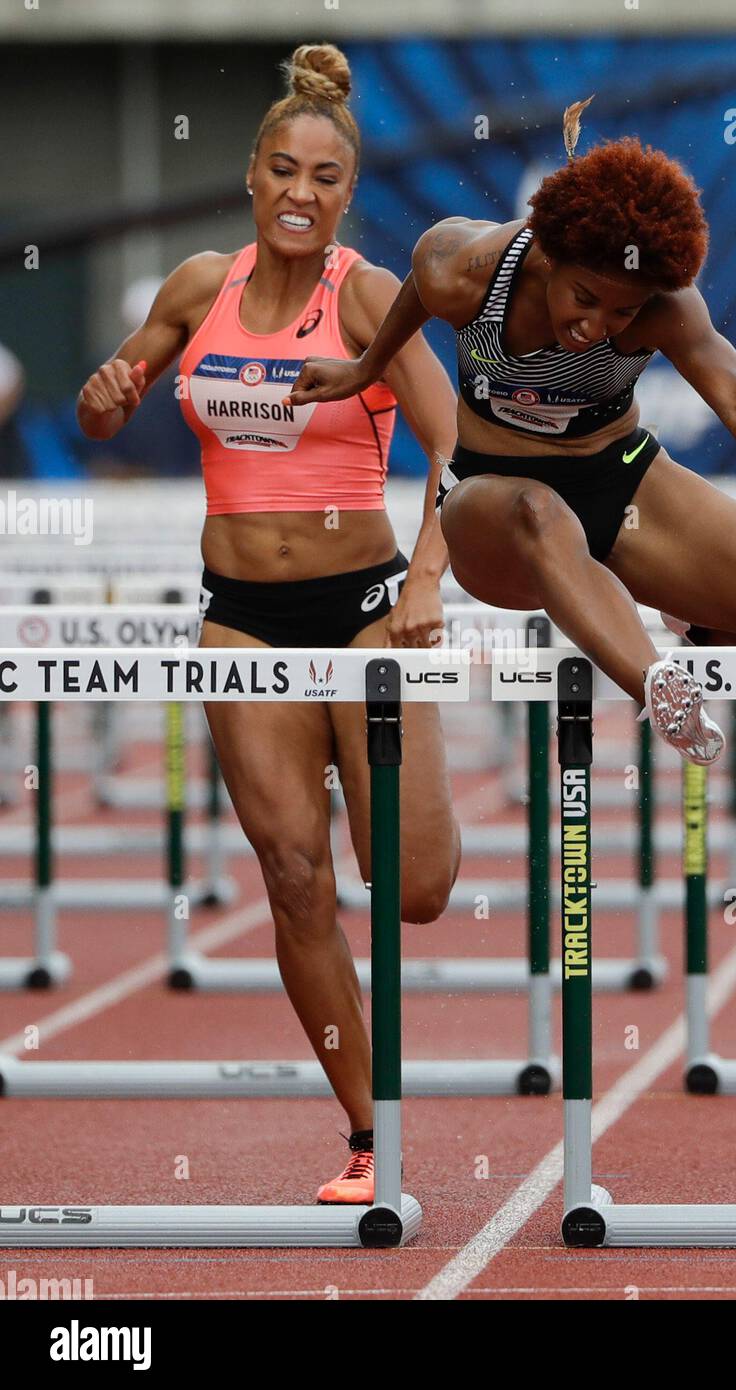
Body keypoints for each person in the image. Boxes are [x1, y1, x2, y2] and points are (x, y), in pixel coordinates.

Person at [76, 43, 461, 1205]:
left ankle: (414, 848)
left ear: (348, 192)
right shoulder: (199, 286)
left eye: (326, 177)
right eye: (283, 169)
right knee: (293, 877)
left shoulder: (370, 296)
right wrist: (106, 399)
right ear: (251, 176)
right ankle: (368, 1134)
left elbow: (460, 447)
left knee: (415, 889)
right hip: (240, 618)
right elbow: (116, 397)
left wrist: (430, 575)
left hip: (359, 612)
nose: (302, 192)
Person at [288, 98, 736, 763]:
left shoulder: (663, 307)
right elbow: (415, 294)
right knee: (538, 511)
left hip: (622, 486)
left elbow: (735, 392)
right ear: (548, 257)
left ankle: (690, 616)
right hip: (493, 503)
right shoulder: (462, 269)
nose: (596, 326)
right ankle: (658, 685)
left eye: (621, 311)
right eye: (585, 298)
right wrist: (364, 367)